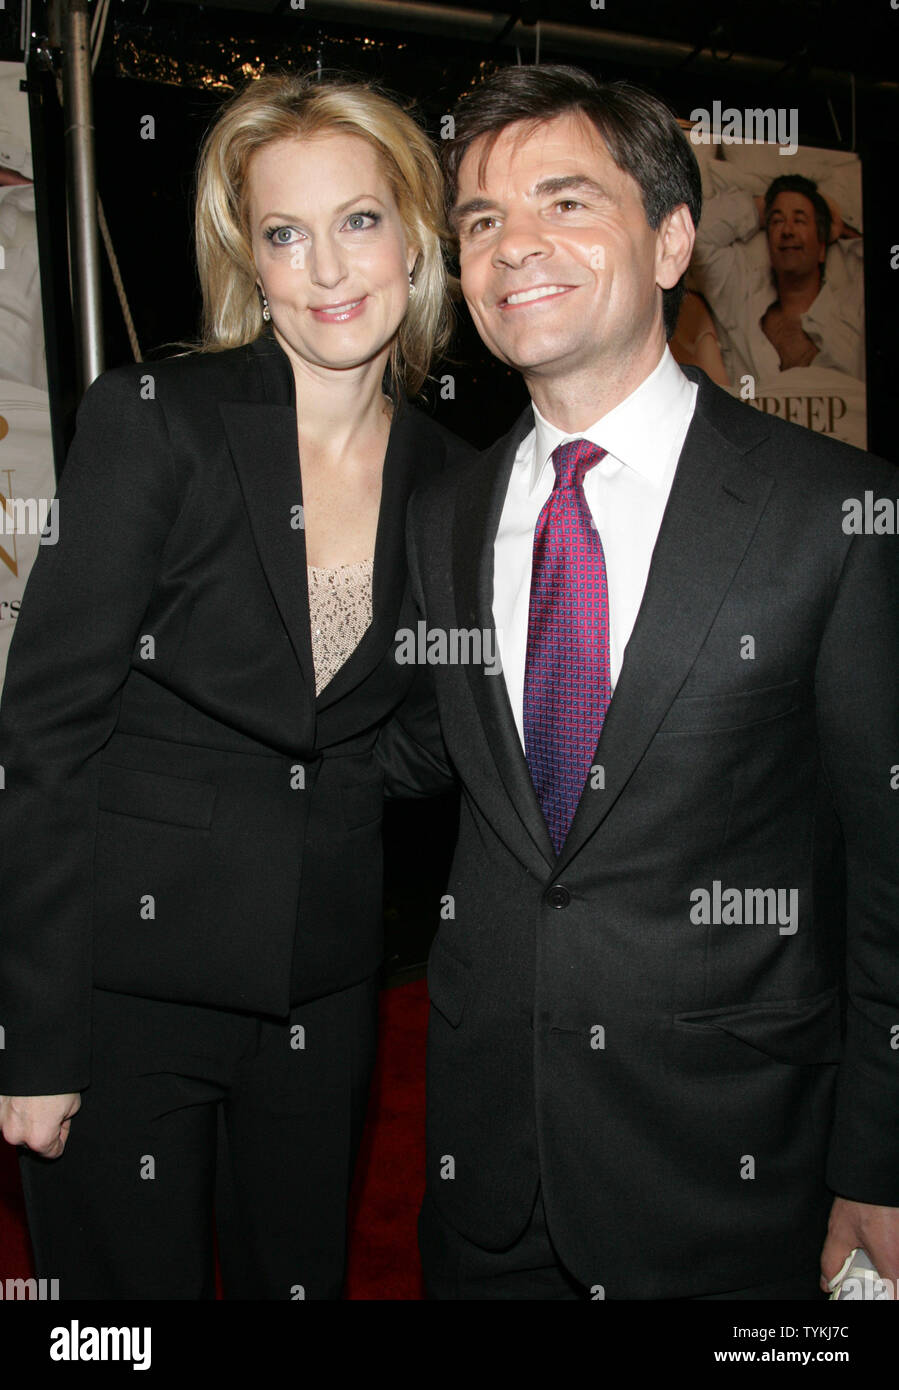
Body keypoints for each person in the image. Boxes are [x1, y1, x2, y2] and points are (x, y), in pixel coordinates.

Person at [377, 65, 899, 1299]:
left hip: (731, 1176)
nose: (515, 248)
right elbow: (394, 756)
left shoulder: (830, 510)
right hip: (487, 1181)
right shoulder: (439, 515)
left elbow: (886, 872)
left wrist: (876, 1160)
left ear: (669, 240)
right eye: (480, 219)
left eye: (565, 202)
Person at [0, 70, 473, 1299]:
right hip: (121, 999)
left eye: (358, 220)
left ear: (416, 234)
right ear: (247, 259)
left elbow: (420, 733)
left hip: (319, 997)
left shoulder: (460, 480)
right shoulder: (157, 422)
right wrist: (33, 1039)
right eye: (285, 232)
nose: (326, 268)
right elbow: (42, 740)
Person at [691, 173, 864, 384]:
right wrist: (763, 207)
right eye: (777, 221)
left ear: (822, 247)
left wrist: (841, 226)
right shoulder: (741, 300)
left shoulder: (852, 309)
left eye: (799, 220)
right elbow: (695, 235)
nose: (787, 231)